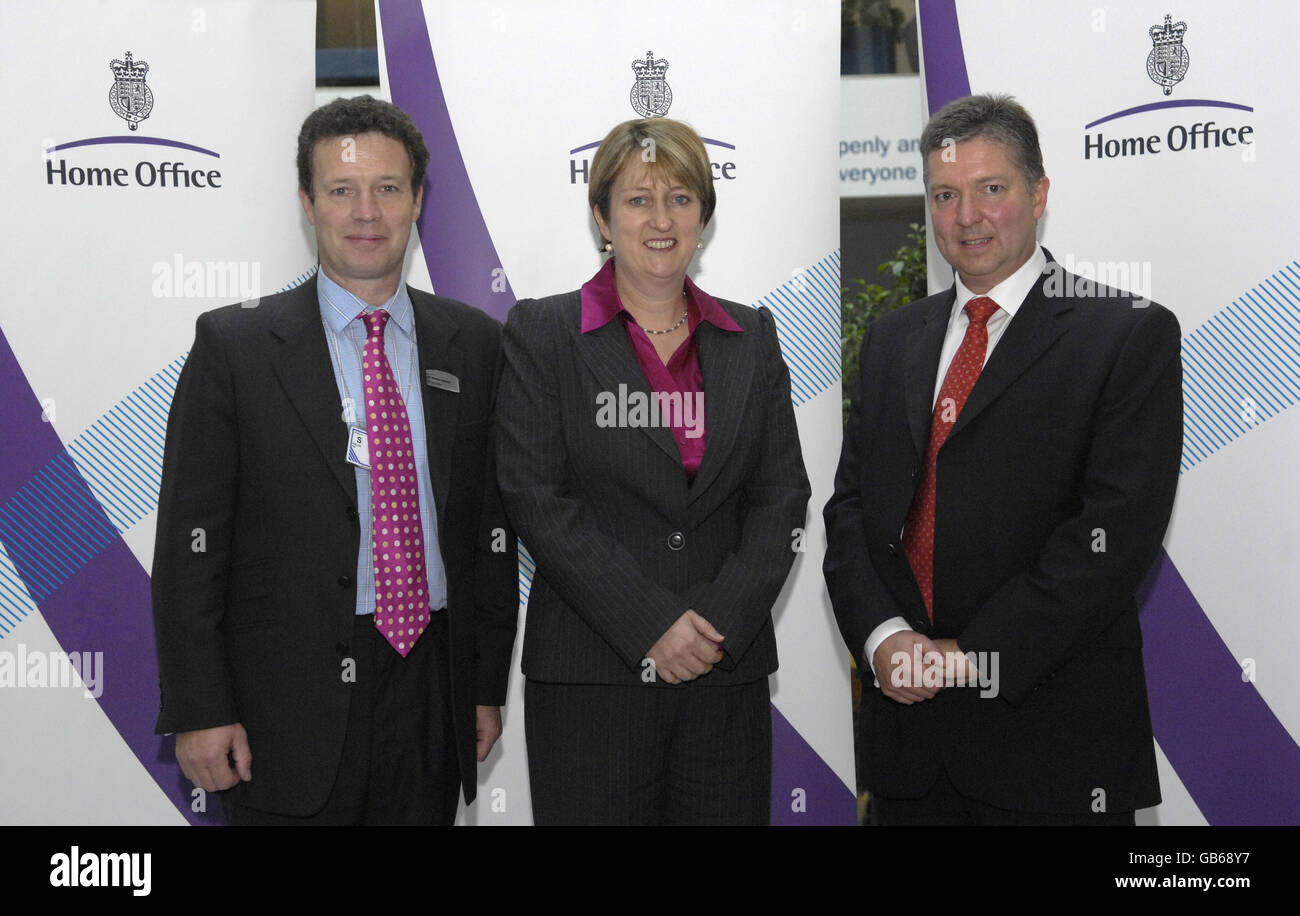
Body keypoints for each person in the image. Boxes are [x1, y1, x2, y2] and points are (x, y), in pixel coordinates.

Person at [151, 95, 518, 825]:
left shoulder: (473, 343)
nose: (366, 212)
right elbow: (191, 547)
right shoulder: (236, 348)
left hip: (430, 686)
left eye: (387, 188)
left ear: (417, 200)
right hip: (281, 706)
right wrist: (200, 707)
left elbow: (488, 533)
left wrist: (480, 685)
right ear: (307, 203)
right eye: (341, 190)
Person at [823, 94, 1183, 825]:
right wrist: (887, 640)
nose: (966, 216)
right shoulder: (894, 340)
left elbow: (1112, 536)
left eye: (992, 189)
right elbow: (853, 510)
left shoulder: (1125, 335)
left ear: (1039, 194)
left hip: (1054, 750)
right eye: (945, 195)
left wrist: (967, 657)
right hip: (909, 756)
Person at [496, 118, 810, 825]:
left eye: (681, 199)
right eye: (638, 200)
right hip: (591, 681)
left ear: (705, 215)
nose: (661, 220)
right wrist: (649, 625)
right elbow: (536, 497)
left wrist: (716, 625)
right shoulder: (544, 333)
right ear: (602, 218)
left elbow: (782, 496)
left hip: (723, 677)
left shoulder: (750, 335)